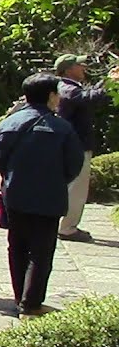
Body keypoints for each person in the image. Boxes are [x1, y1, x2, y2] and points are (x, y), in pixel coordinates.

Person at [0, 73, 85, 318]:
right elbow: (74, 165)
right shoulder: (62, 128)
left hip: (16, 196)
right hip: (49, 198)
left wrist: (12, 176)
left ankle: (21, 297)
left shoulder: (9, 123)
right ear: (52, 96)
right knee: (41, 253)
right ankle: (31, 304)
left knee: (16, 247)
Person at [53, 54, 113, 241]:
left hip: (70, 144)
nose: (84, 67)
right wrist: (110, 82)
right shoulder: (68, 89)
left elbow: (87, 95)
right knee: (76, 187)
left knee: (70, 186)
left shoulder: (66, 87)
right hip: (76, 145)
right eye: (80, 65)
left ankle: (64, 224)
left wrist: (106, 81)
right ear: (69, 69)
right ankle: (67, 228)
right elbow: (88, 98)